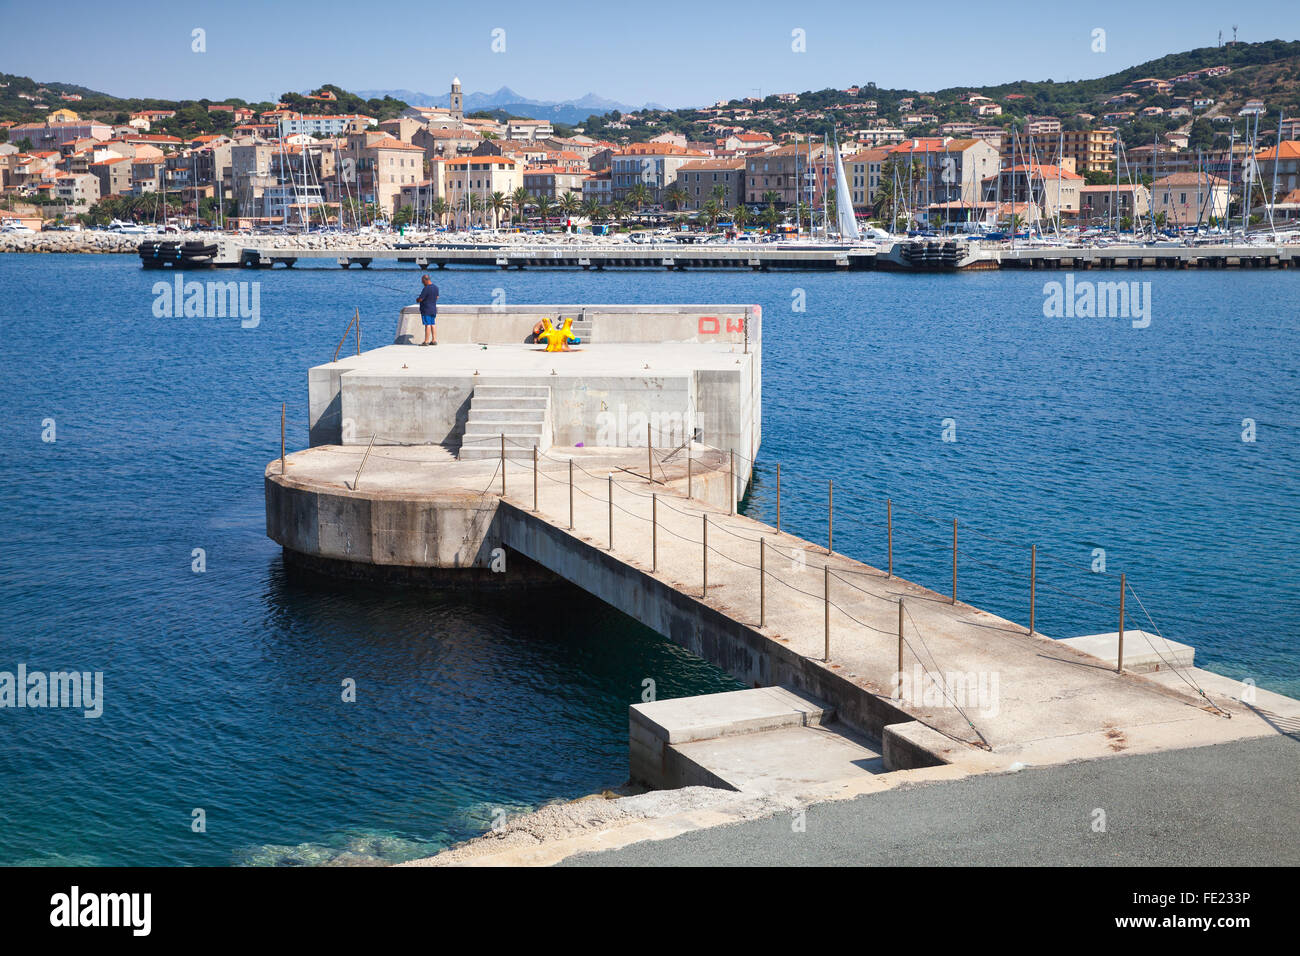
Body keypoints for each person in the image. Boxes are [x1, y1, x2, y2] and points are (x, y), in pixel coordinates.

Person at [417, 274, 439, 345]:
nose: (422, 283)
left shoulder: (426, 288)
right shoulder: (436, 287)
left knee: (427, 325)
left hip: (426, 309)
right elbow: (437, 297)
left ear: (425, 280)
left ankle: (426, 341)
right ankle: (434, 340)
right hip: (433, 309)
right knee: (433, 324)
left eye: (422, 281)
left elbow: (420, 299)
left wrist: (417, 299)